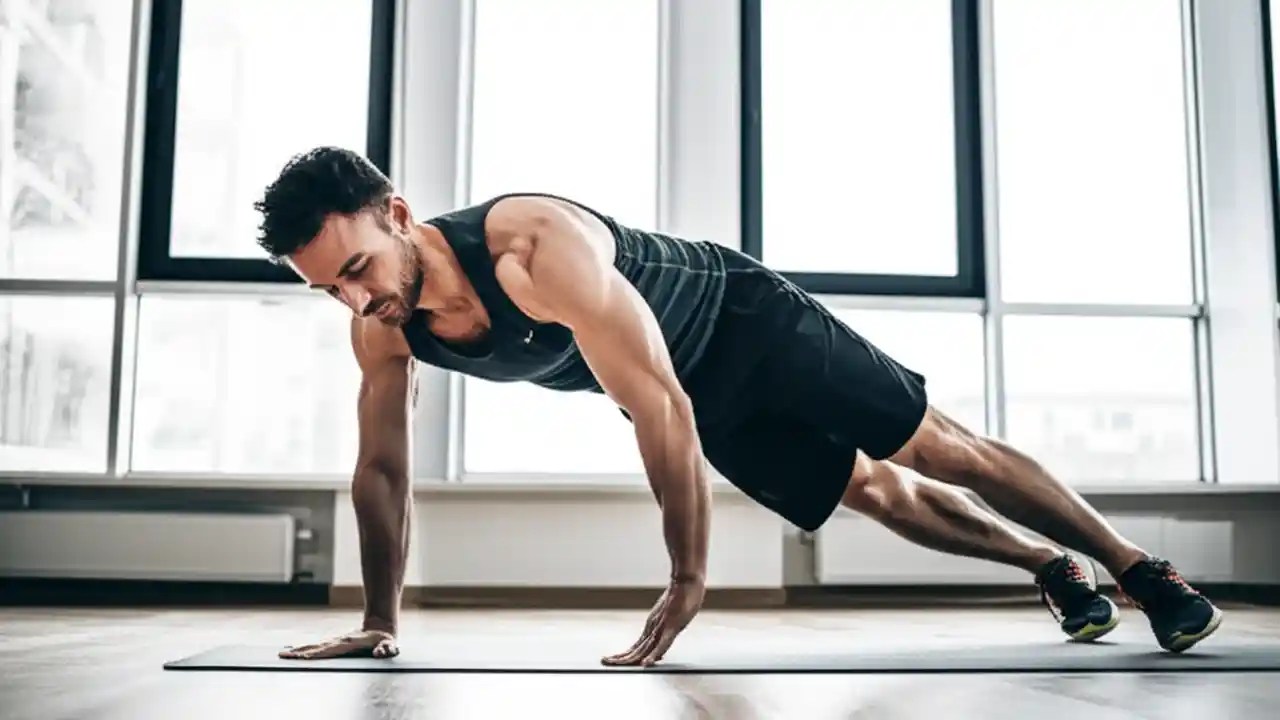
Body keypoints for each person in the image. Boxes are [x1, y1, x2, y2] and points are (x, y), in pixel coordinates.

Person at [257, 147, 1222, 666]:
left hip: (745, 318)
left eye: (356, 270)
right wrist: (381, 616)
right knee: (874, 495)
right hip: (700, 392)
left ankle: (1140, 571)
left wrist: (686, 578)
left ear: (396, 214)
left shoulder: (529, 247)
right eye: (327, 291)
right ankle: (1050, 566)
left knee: (937, 448)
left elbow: (661, 409)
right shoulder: (383, 327)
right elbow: (382, 470)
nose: (355, 299)